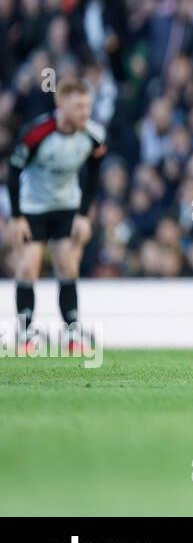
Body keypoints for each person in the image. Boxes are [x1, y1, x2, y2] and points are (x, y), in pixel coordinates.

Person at [6, 79, 107, 354]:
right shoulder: (37, 134)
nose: (85, 113)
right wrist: (16, 217)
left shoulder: (94, 135)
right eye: (78, 107)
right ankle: (25, 334)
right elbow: (13, 171)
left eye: (87, 106)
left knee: (68, 266)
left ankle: (73, 333)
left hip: (66, 206)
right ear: (60, 105)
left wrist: (84, 215)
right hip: (32, 207)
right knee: (28, 267)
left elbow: (94, 173)